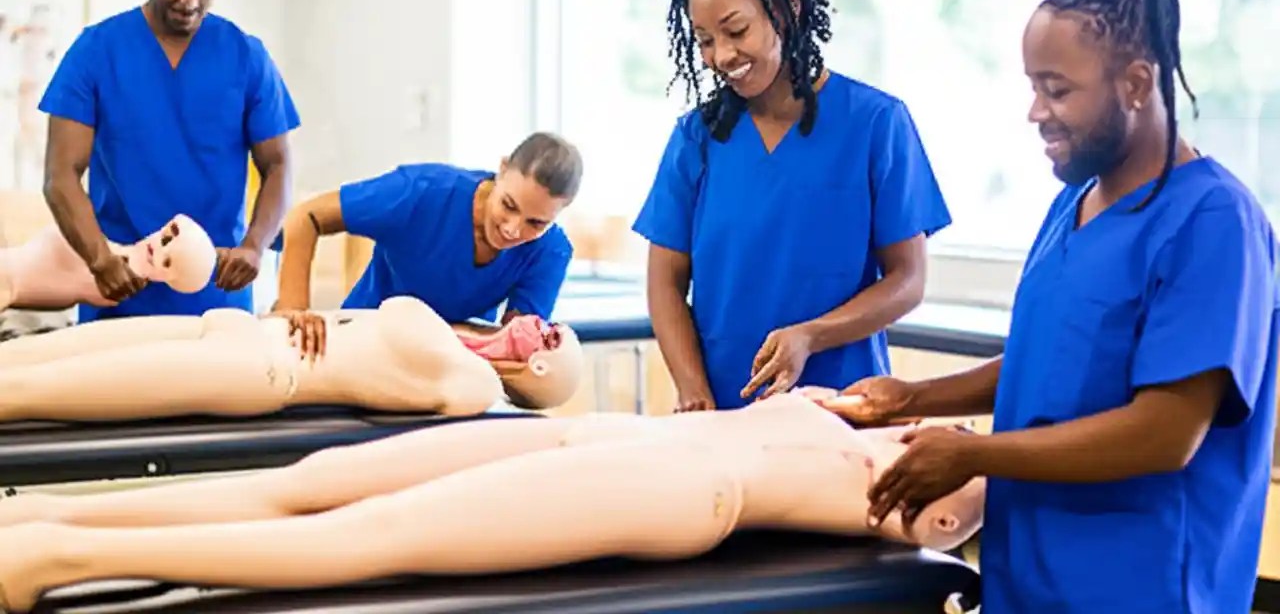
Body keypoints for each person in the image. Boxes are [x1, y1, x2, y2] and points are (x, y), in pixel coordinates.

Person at [826, 0, 1279, 613]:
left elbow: (1165, 431)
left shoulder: (1213, 222)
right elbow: (1055, 363)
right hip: (1032, 576)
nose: (1037, 112)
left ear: (1136, 83)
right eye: (1034, 87)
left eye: (1057, 89)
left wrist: (973, 455)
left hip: (1140, 585)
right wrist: (909, 398)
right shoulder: (1075, 201)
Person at [0, 391, 986, 612]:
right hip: (613, 430)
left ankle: (58, 558)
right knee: (304, 483)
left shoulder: (967, 486)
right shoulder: (904, 413)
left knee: (362, 537)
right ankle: (44, 524)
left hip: (680, 487)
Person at [633, 0, 952, 412]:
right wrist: (693, 390)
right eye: (704, 40)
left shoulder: (876, 123)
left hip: (841, 409)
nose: (721, 56)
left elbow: (907, 280)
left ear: (787, 8)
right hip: (720, 414)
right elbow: (665, 282)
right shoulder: (696, 138)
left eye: (736, 31)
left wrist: (811, 336)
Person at [38, 0, 299, 324]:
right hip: (119, 288)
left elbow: (279, 164)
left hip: (217, 295)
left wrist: (255, 245)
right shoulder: (96, 51)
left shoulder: (246, 56)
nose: (191, 0)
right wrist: (99, 259)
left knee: (217, 388)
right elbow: (61, 175)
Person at [0, 295, 585, 422]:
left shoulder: (474, 383)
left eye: (549, 337)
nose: (540, 323)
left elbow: (402, 319)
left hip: (263, 373)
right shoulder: (463, 340)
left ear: (538, 369)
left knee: (23, 394)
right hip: (244, 330)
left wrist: (483, 347)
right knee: (27, 356)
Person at [271, 132, 581, 355]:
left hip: (451, 368)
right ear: (501, 170)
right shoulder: (420, 193)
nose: (513, 230)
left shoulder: (550, 252)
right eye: (509, 205)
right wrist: (292, 308)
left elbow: (514, 346)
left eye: (536, 223)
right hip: (362, 346)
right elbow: (307, 216)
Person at [0, 214, 216, 312]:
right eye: (168, 236)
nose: (159, 248)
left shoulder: (115, 280)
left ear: (170, 280)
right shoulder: (110, 255)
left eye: (168, 261)